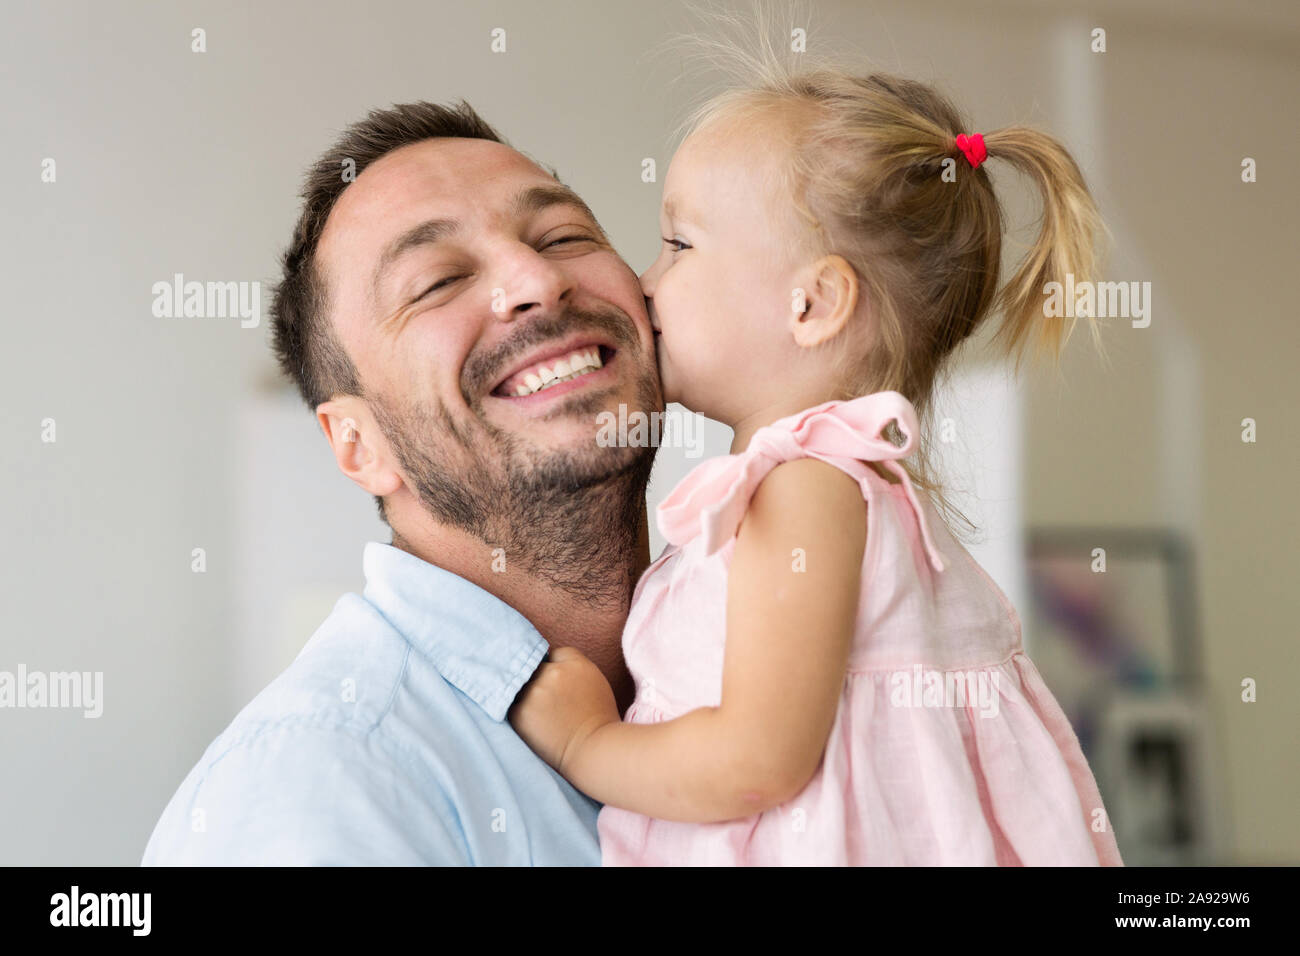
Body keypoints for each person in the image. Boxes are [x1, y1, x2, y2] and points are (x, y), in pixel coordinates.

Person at [508, 61, 1126, 865]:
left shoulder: (801, 488)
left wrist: (584, 742)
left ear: (814, 304)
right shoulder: (842, 485)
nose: (644, 282)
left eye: (677, 244)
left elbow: (756, 762)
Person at [142, 100, 663, 865]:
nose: (536, 279)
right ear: (359, 446)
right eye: (438, 280)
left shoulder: (791, 664)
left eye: (563, 237)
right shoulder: (317, 781)